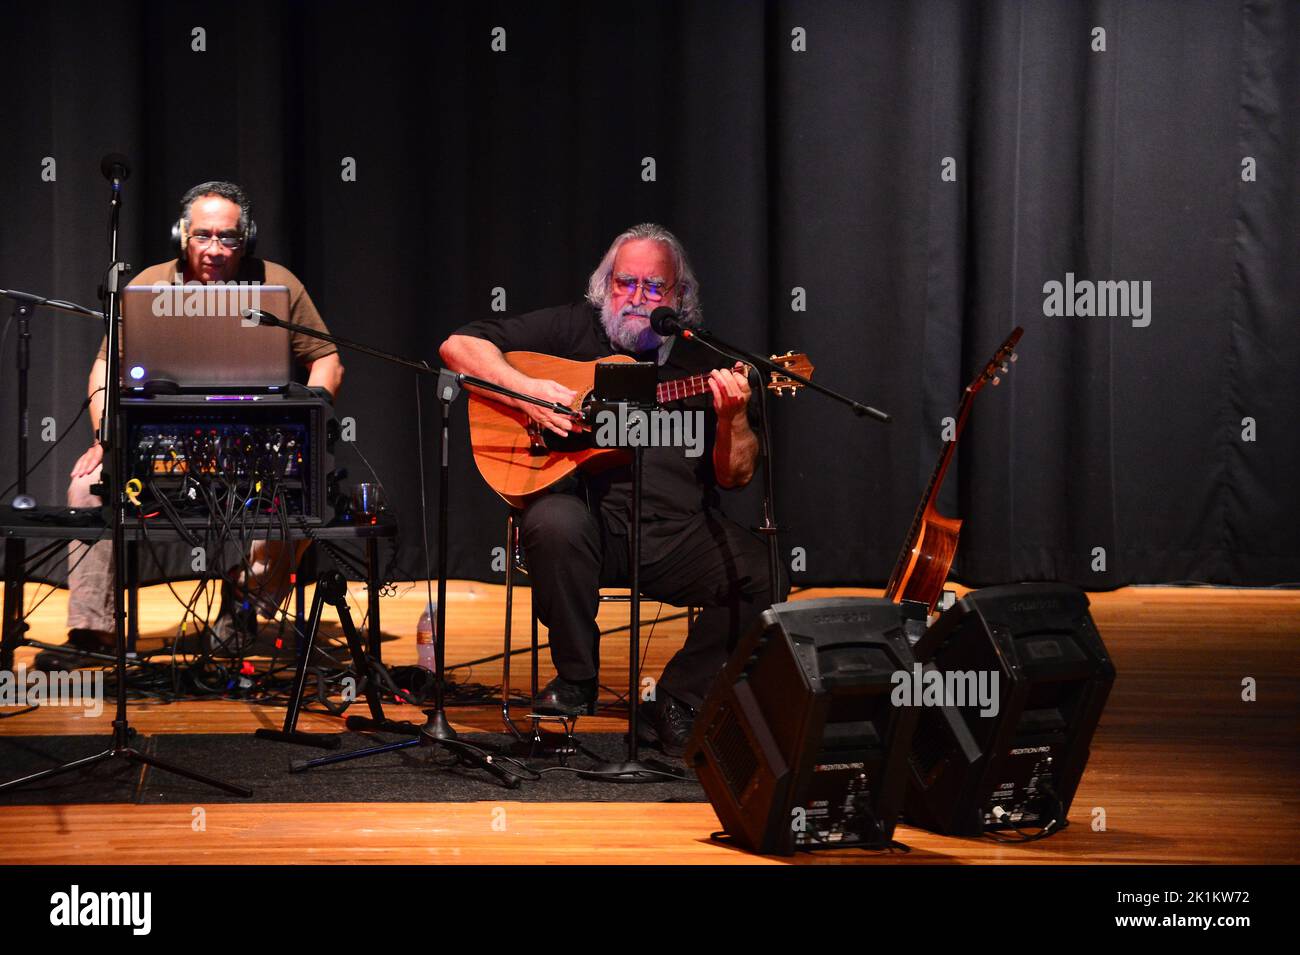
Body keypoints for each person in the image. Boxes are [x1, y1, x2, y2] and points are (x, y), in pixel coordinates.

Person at [439, 223, 785, 755]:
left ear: (680, 298)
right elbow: (458, 345)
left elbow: (734, 478)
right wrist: (528, 393)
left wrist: (733, 417)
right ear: (605, 285)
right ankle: (578, 678)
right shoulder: (571, 331)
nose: (638, 298)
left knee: (770, 570)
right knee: (552, 522)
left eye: (655, 288)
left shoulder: (707, 364)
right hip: (586, 528)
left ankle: (677, 700)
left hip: (676, 534)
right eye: (626, 283)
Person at [54, 181, 344, 665]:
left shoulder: (276, 283)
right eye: (203, 236)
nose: (214, 250)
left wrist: (308, 425)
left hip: (254, 443)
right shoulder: (149, 285)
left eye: (227, 238)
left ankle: (243, 600)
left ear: (244, 240)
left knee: (301, 499)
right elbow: (106, 367)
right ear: (182, 236)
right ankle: (93, 635)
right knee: (85, 489)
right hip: (162, 446)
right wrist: (106, 439)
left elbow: (327, 359)